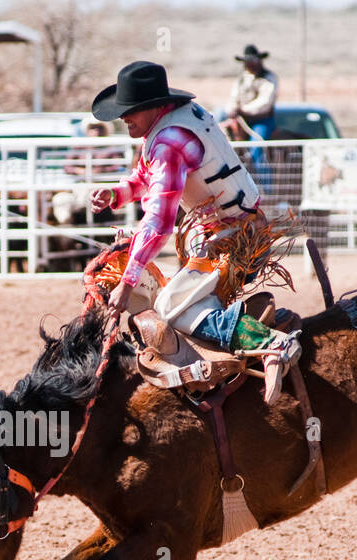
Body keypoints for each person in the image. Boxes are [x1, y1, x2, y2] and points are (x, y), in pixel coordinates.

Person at [89, 61, 299, 404]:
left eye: (132, 110)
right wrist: (117, 194)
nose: (125, 117)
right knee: (174, 297)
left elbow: (158, 223)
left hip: (232, 241)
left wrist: (126, 284)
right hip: (228, 232)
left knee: (170, 304)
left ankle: (270, 344)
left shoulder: (168, 142)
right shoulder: (177, 121)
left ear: (155, 107)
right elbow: (149, 178)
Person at [227, 44, 278, 190]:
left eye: (253, 61)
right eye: (248, 62)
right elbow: (233, 97)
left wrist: (242, 110)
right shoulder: (241, 79)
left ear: (259, 61)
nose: (250, 65)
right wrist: (232, 110)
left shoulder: (269, 78)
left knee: (257, 147)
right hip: (241, 119)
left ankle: (268, 190)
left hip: (262, 120)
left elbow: (264, 103)